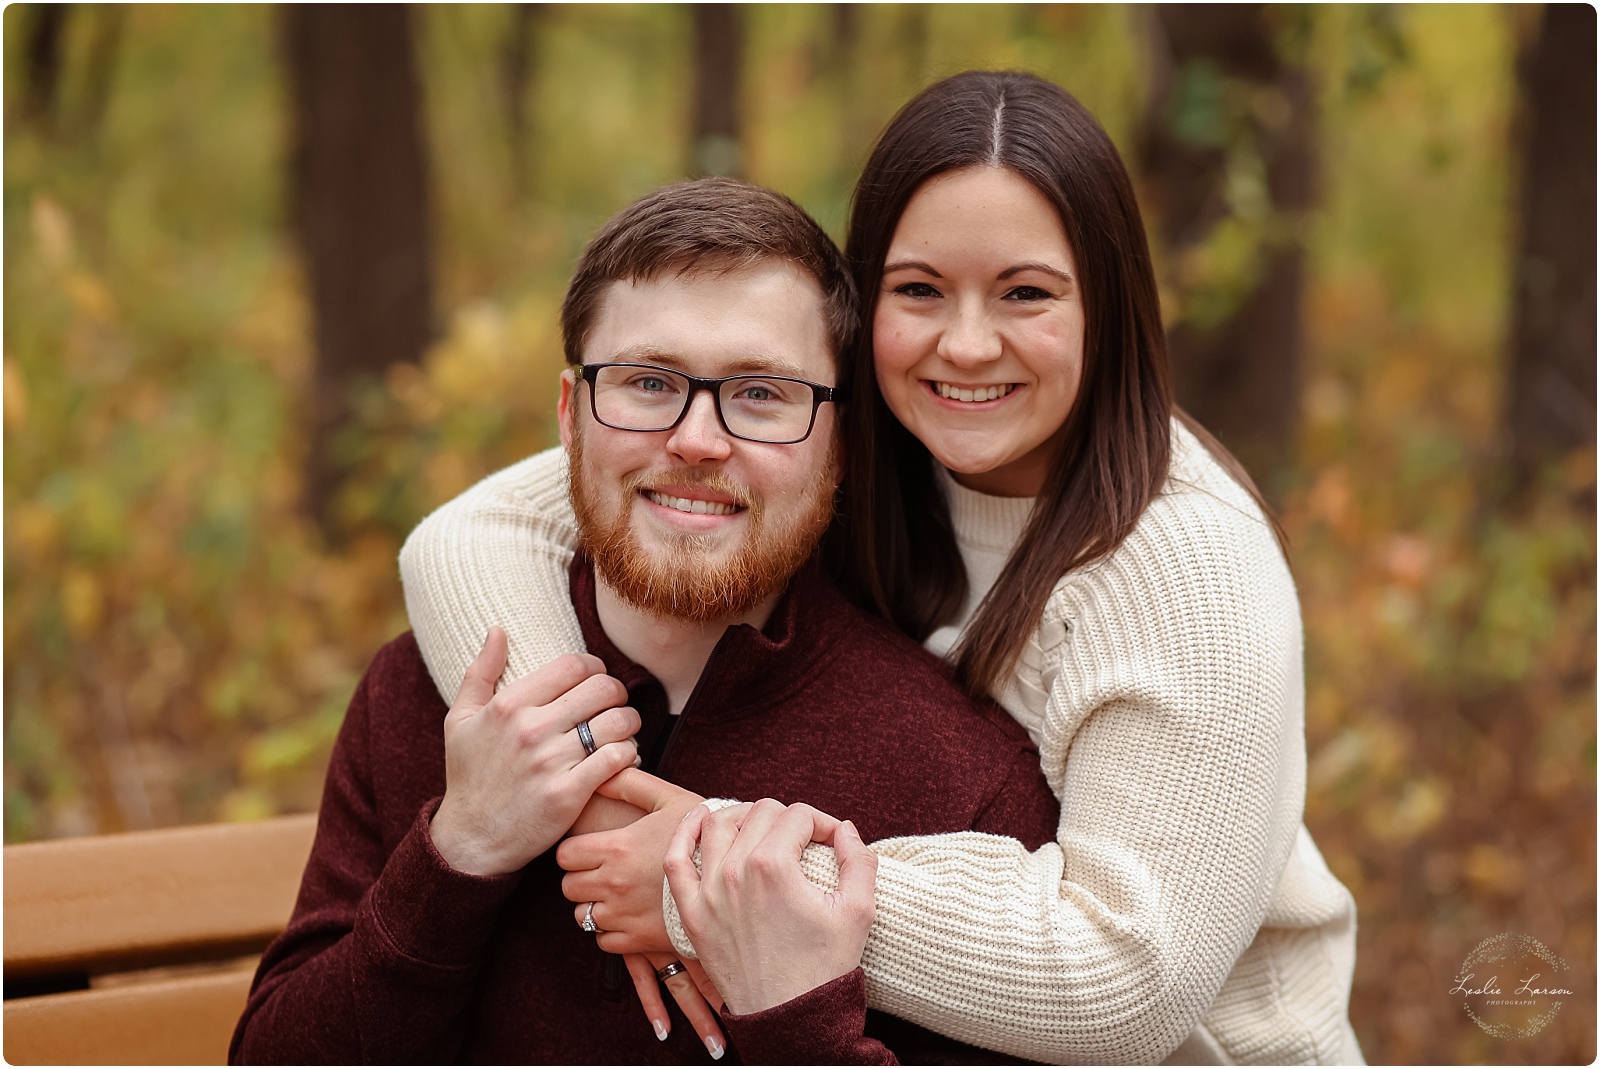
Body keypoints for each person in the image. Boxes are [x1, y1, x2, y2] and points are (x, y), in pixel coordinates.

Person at [402, 72, 1362, 1064]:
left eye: (1025, 293)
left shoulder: (1186, 560)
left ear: (1107, 307)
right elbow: (468, 537)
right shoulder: (863, 448)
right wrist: (595, 787)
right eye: (919, 290)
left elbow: (1121, 986)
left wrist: (711, 872)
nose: (967, 343)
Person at [230, 177, 1063, 1064]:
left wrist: (794, 1014)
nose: (698, 440)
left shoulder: (961, 774)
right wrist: (459, 850)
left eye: (761, 394)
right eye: (647, 382)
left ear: (843, 446)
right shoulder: (434, 695)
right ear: (569, 415)